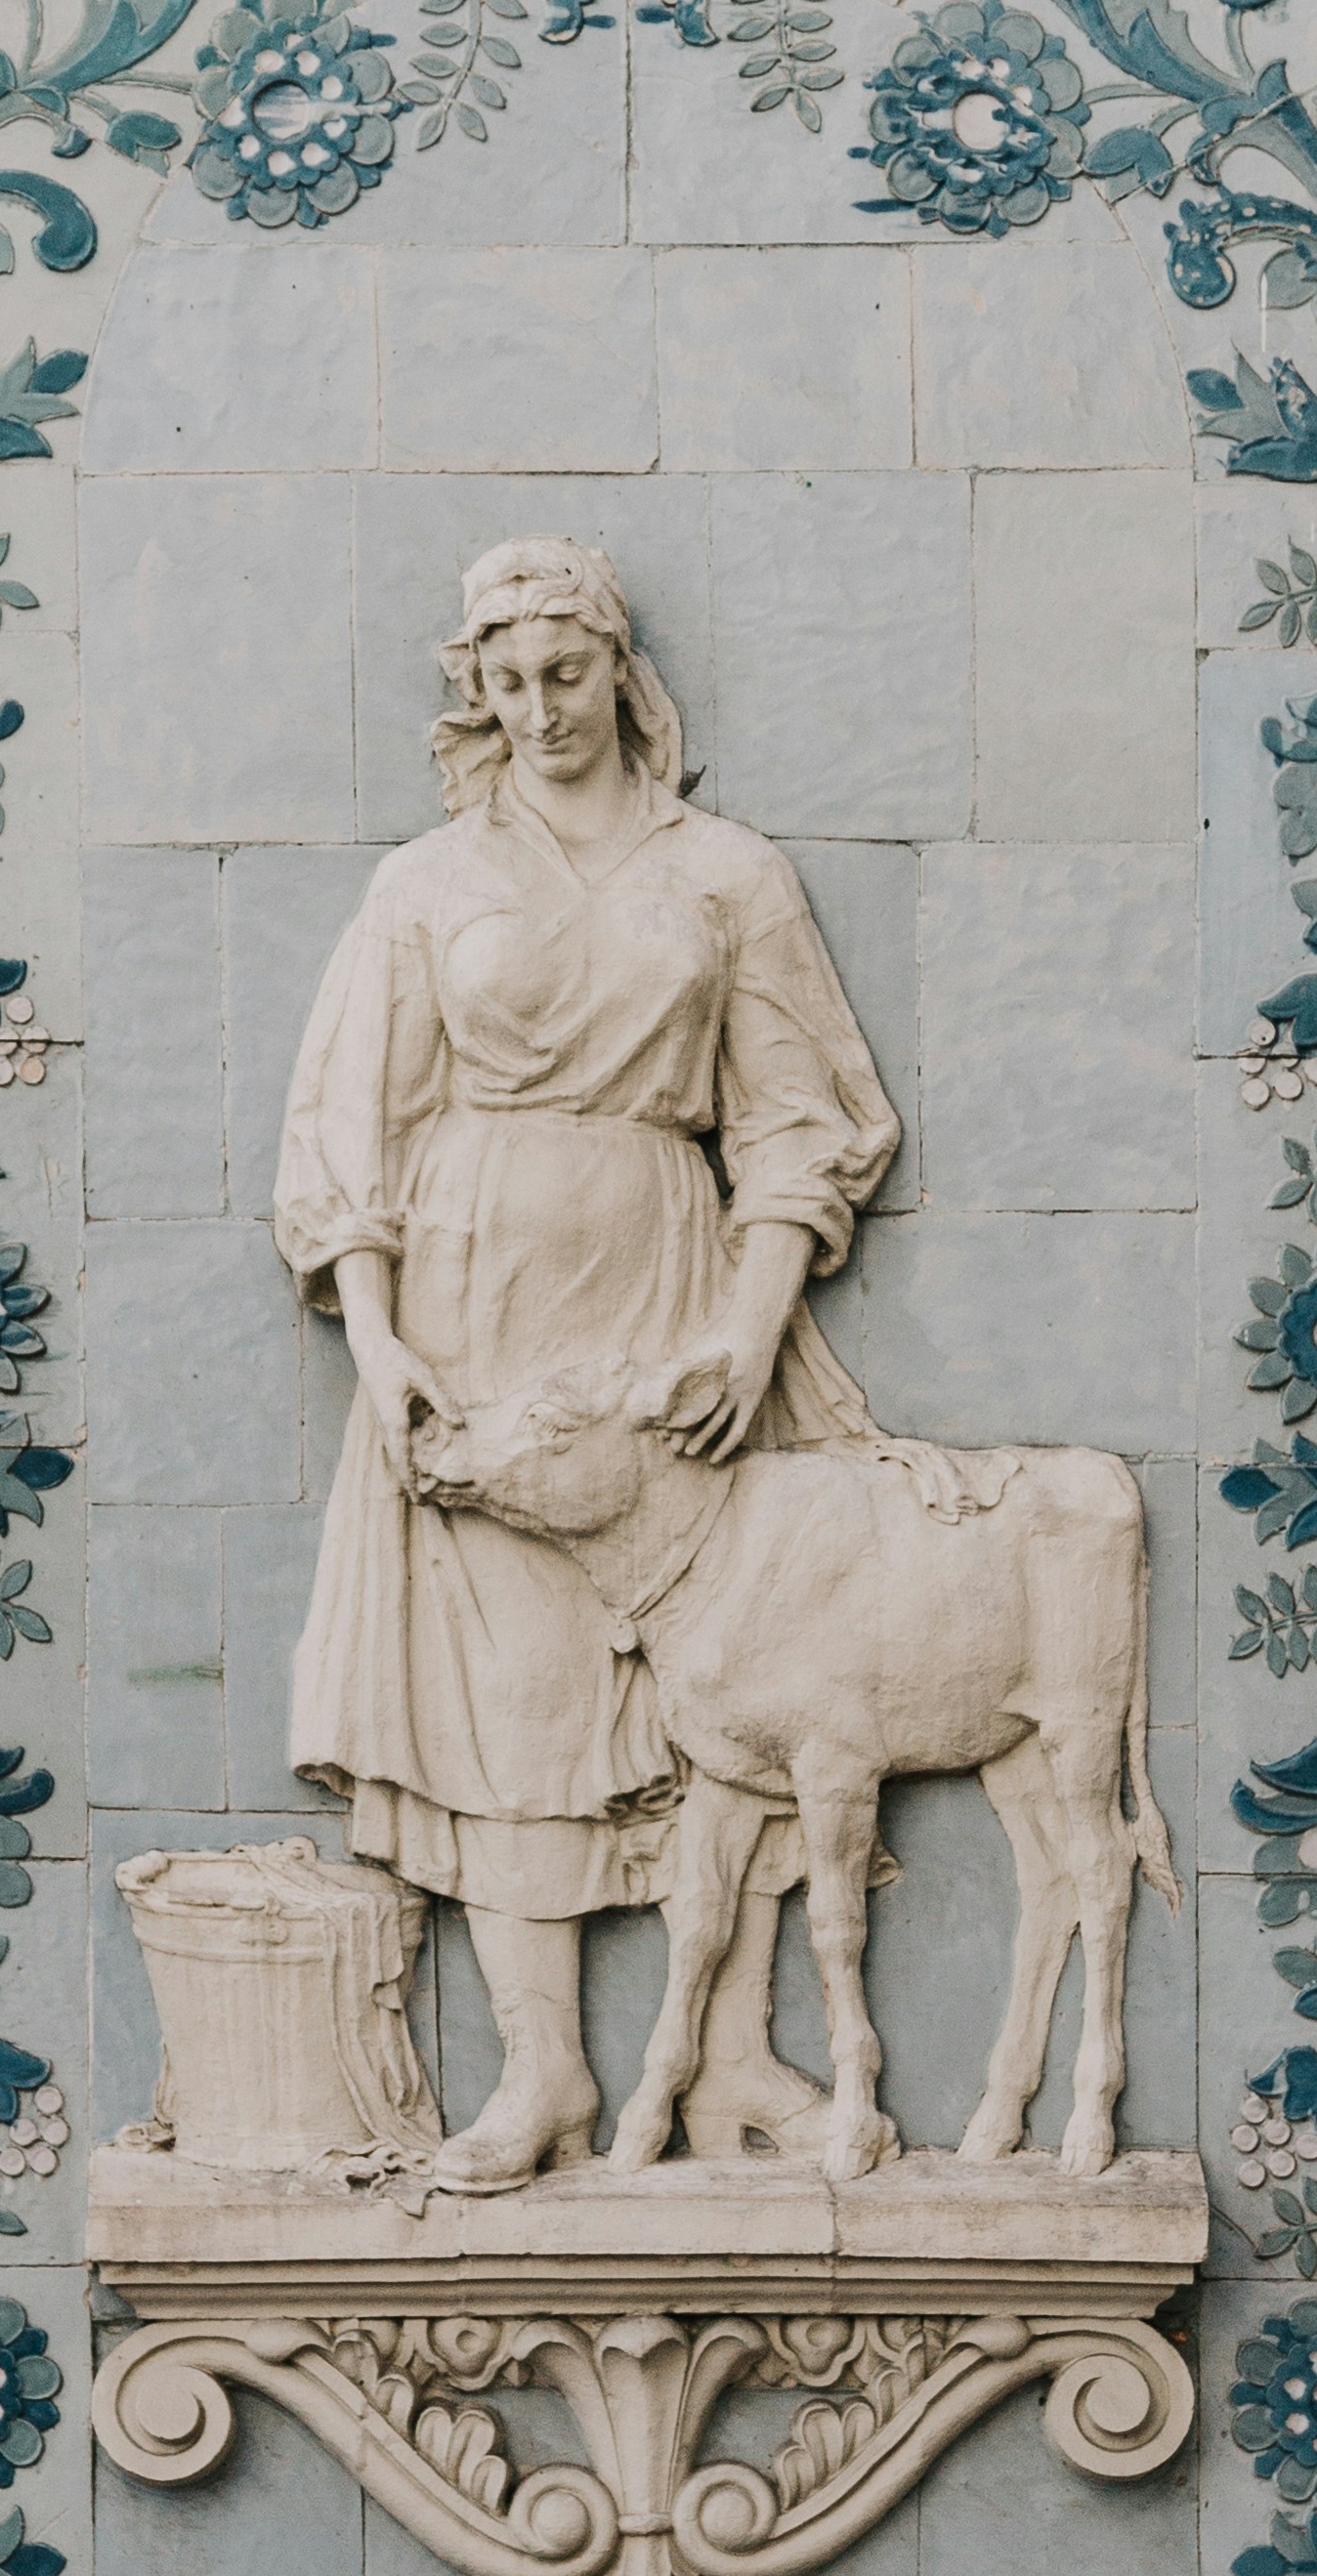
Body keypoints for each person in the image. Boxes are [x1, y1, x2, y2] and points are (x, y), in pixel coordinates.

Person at [274, 534, 902, 2186]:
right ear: (474, 693)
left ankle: (734, 2053)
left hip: (672, 1285)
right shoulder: (427, 883)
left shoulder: (726, 872)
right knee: (512, 1681)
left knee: (728, 1663)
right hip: (474, 1298)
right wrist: (380, 1341)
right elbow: (349, 1122)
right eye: (505, 682)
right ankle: (543, 2067)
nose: (540, 708)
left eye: (564, 672)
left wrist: (751, 1320)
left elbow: (796, 1115)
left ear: (620, 669)